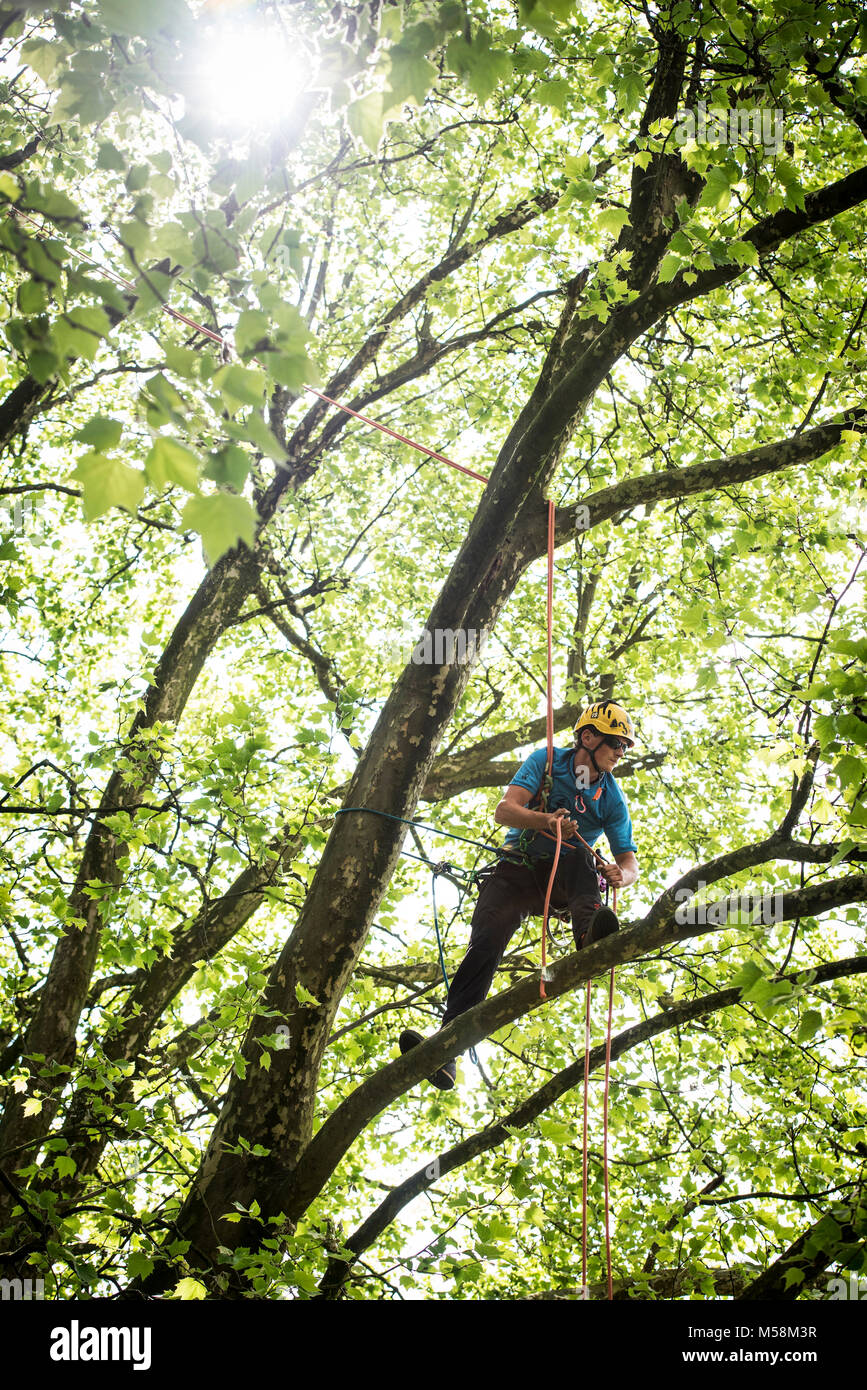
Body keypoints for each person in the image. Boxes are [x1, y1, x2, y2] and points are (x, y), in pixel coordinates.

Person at [399, 701, 640, 1090]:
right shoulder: (548, 762)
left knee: (581, 854)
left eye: (626, 746)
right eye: (616, 743)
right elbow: (506, 811)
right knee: (486, 943)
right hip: (519, 867)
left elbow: (629, 861)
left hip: (565, 876)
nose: (620, 752)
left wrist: (621, 875)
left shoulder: (610, 797)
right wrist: (544, 820)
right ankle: (446, 1052)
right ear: (588, 737)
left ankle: (590, 936)